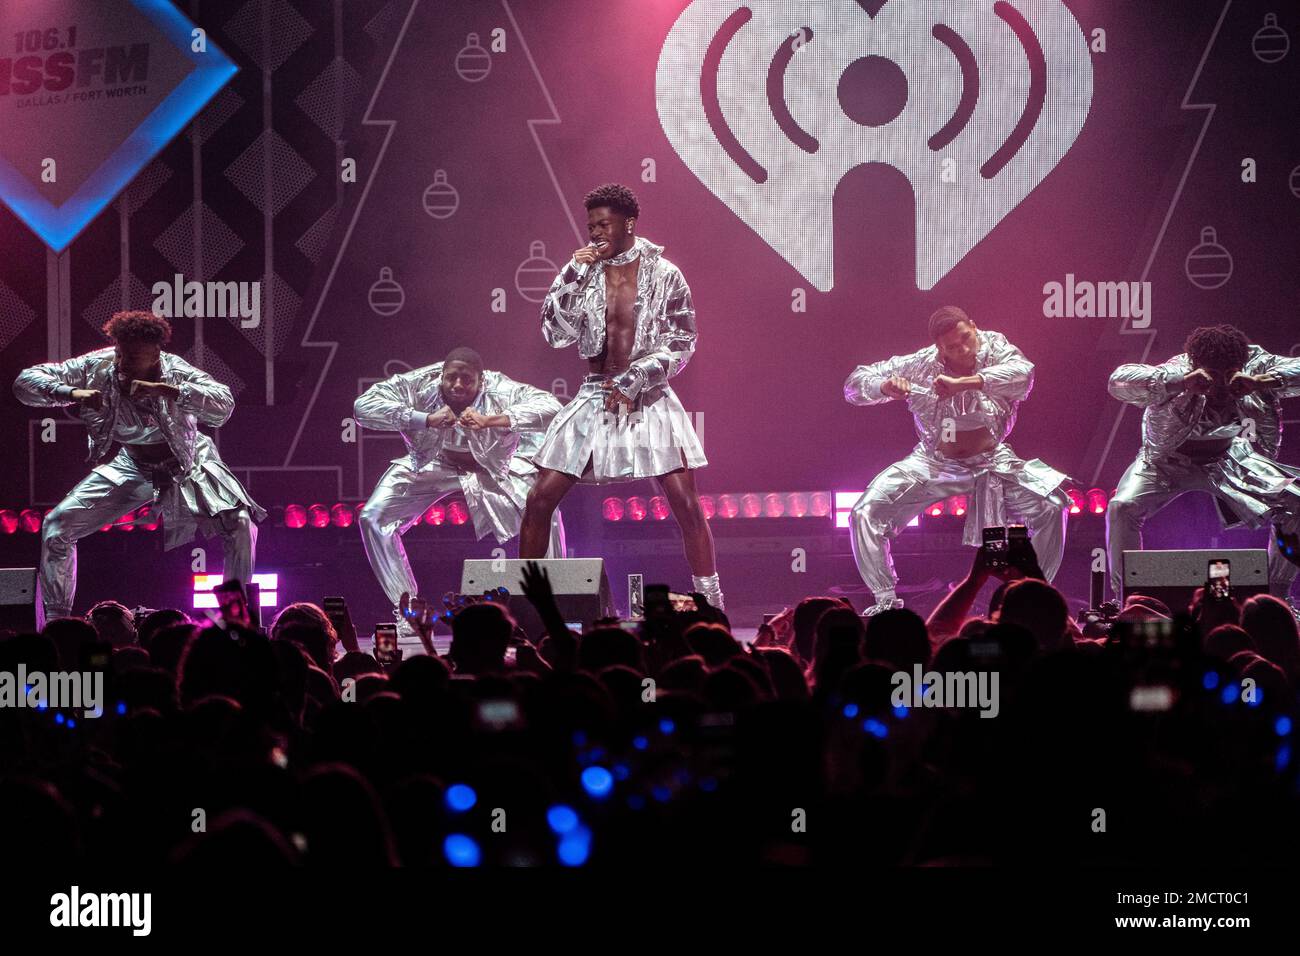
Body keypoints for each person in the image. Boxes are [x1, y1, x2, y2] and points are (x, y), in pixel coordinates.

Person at [519, 183, 725, 609]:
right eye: (591, 225)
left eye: (603, 224)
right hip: (595, 395)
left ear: (628, 223)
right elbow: (554, 335)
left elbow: (683, 340)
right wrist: (570, 276)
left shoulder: (665, 273)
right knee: (539, 498)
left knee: (686, 504)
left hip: (648, 395)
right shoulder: (583, 272)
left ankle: (711, 601)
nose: (595, 232)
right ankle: (530, 606)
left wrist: (637, 377)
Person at [13, 310, 264, 626]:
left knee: (240, 524)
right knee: (56, 526)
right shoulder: (98, 366)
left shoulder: (175, 370)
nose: (125, 363)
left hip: (189, 462)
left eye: (135, 357)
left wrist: (167, 391)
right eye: (121, 353)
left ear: (156, 353)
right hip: (133, 465)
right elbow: (25, 382)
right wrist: (71, 393)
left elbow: (223, 404)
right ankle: (56, 624)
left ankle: (234, 620)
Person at [844, 306, 1070, 616]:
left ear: (974, 328)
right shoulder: (921, 363)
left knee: (1052, 506)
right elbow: (854, 384)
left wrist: (967, 382)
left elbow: (1024, 375)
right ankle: (885, 601)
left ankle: (1034, 597)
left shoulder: (996, 347)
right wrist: (883, 387)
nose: (963, 348)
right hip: (933, 463)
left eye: (966, 338)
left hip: (993, 462)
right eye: (952, 345)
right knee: (864, 513)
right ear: (939, 347)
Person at [354, 347, 565, 640]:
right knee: (372, 518)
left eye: (466, 380)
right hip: (431, 463)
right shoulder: (420, 383)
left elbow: (551, 406)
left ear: (481, 381)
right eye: (451, 378)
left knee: (546, 510)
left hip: (491, 466)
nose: (457, 385)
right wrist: (423, 418)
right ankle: (408, 611)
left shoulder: (500, 387)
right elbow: (363, 408)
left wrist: (492, 420)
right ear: (441, 375)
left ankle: (551, 605)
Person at [1106, 324, 1300, 602]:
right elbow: (1117, 380)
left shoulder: (1257, 365)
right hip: (1165, 462)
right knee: (1121, 507)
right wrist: (1180, 382)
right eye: (1213, 376)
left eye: (1228, 375)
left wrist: (1264, 382)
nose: (1221, 385)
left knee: (1295, 504)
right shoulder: (1178, 369)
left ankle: (1277, 597)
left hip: (1230, 460)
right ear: (1196, 364)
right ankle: (1127, 599)